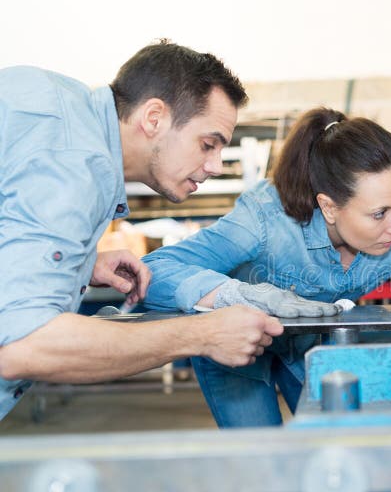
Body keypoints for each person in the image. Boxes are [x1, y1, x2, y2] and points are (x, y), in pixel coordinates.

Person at [141, 107, 391, 492]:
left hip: (314, 347)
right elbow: (158, 270)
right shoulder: (264, 217)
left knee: (341, 472)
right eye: (380, 213)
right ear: (328, 207)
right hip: (235, 349)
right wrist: (238, 294)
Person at [0, 40, 284, 420]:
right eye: (207, 144)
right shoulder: (77, 166)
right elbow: (23, 347)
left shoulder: (59, 106)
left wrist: (81, 261)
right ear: (153, 118)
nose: (215, 165)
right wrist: (202, 334)